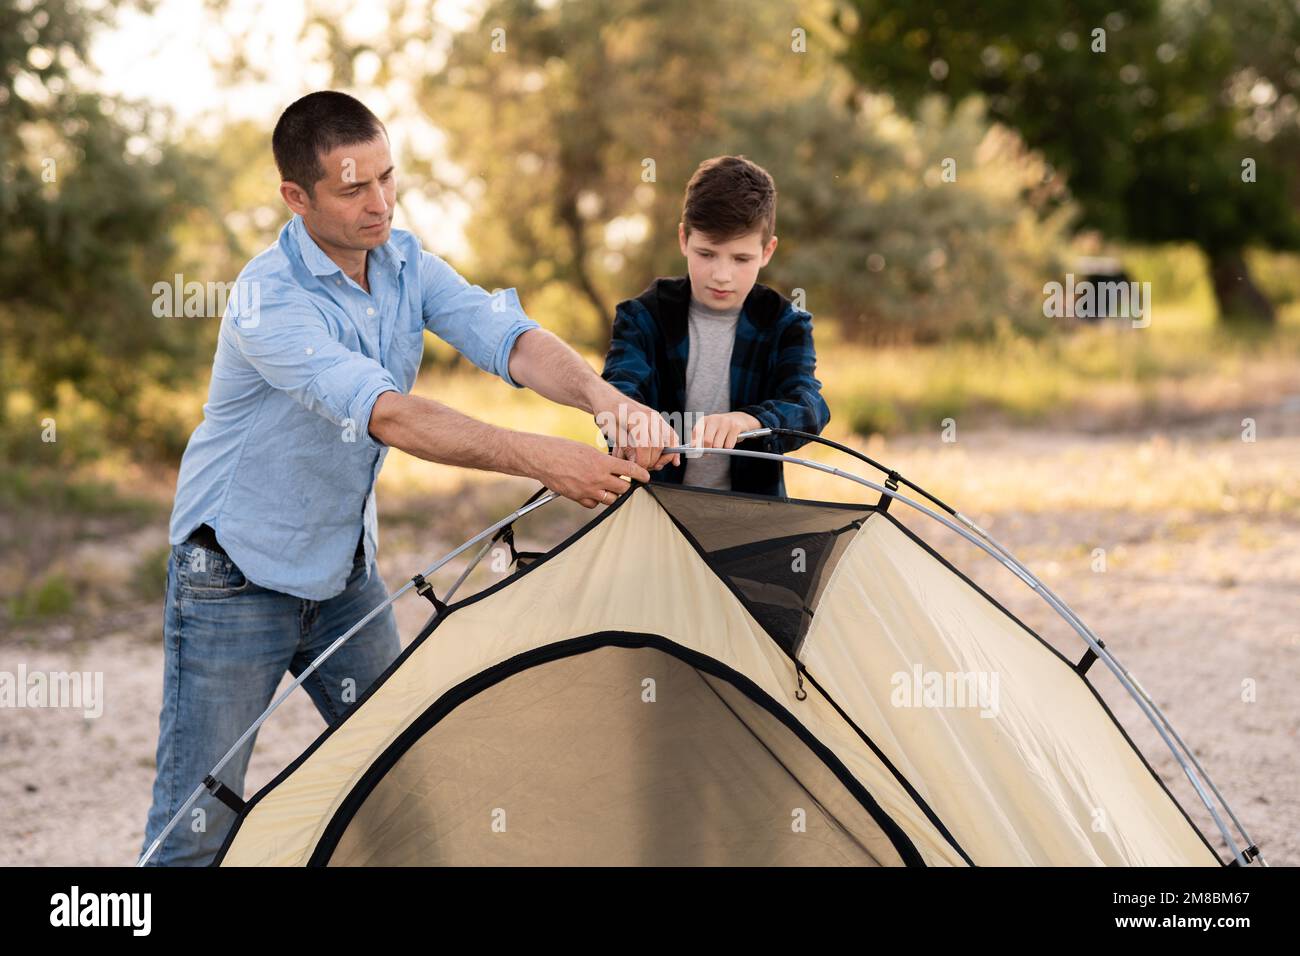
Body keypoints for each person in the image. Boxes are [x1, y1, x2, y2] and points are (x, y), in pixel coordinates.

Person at [138, 90, 678, 866]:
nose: (380, 203)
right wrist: (546, 459)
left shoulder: (404, 260)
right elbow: (388, 413)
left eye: (389, 179)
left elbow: (508, 338)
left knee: (405, 780)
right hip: (233, 576)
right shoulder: (268, 300)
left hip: (342, 578)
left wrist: (606, 400)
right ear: (297, 197)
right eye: (354, 189)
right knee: (193, 831)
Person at [601, 155, 830, 497]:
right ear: (683, 239)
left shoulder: (786, 323)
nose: (722, 275)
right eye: (707, 254)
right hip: (655, 510)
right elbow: (616, 393)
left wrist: (747, 421)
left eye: (741, 259)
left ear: (767, 250)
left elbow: (809, 406)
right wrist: (633, 421)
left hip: (751, 520)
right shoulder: (642, 317)